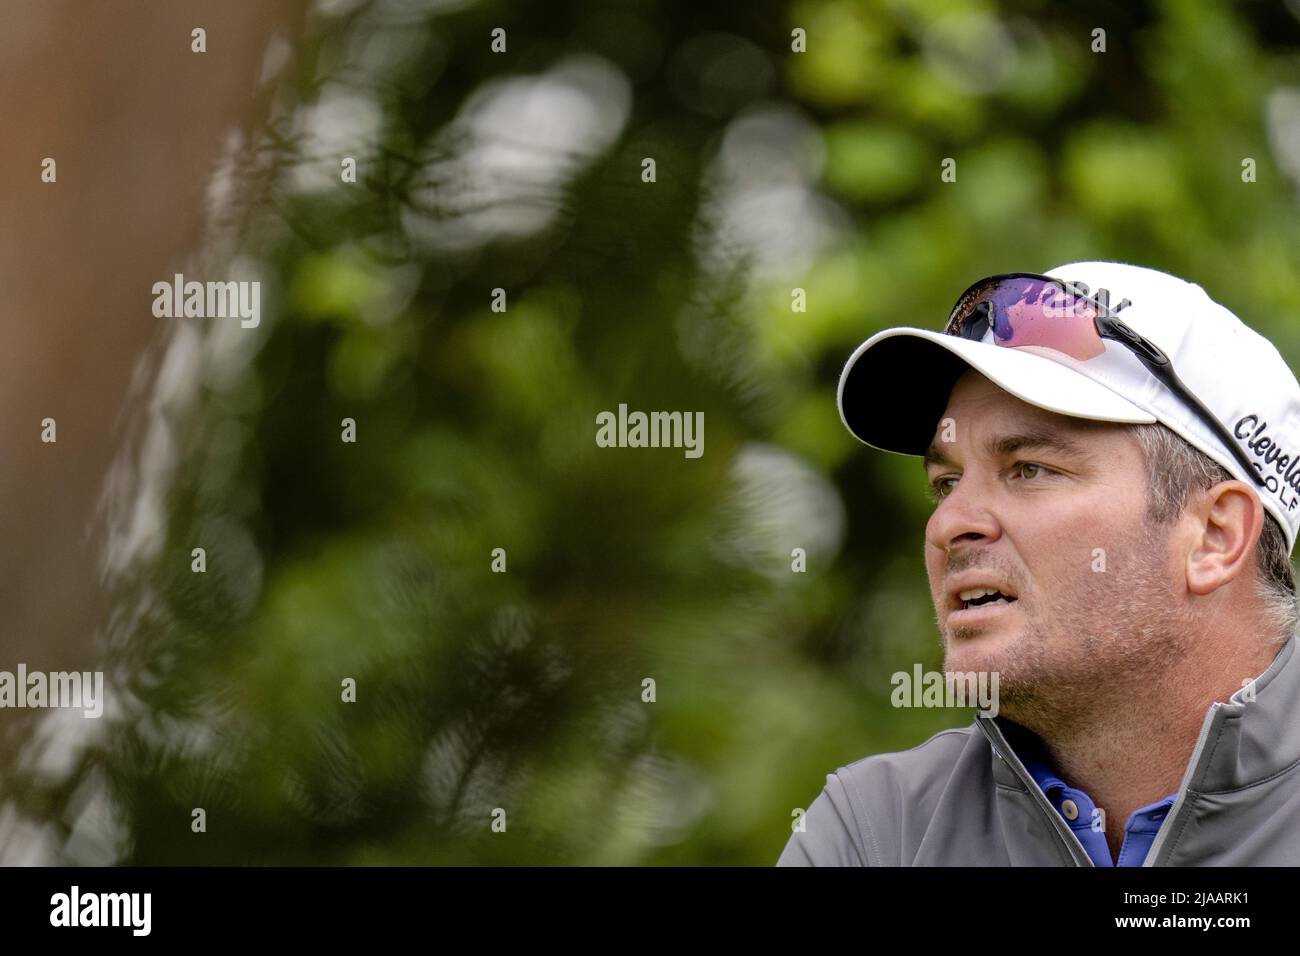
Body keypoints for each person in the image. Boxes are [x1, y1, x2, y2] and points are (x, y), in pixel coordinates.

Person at [777, 261, 1300, 866]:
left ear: (1214, 536)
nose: (949, 525)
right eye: (946, 483)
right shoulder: (875, 833)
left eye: (1030, 469)